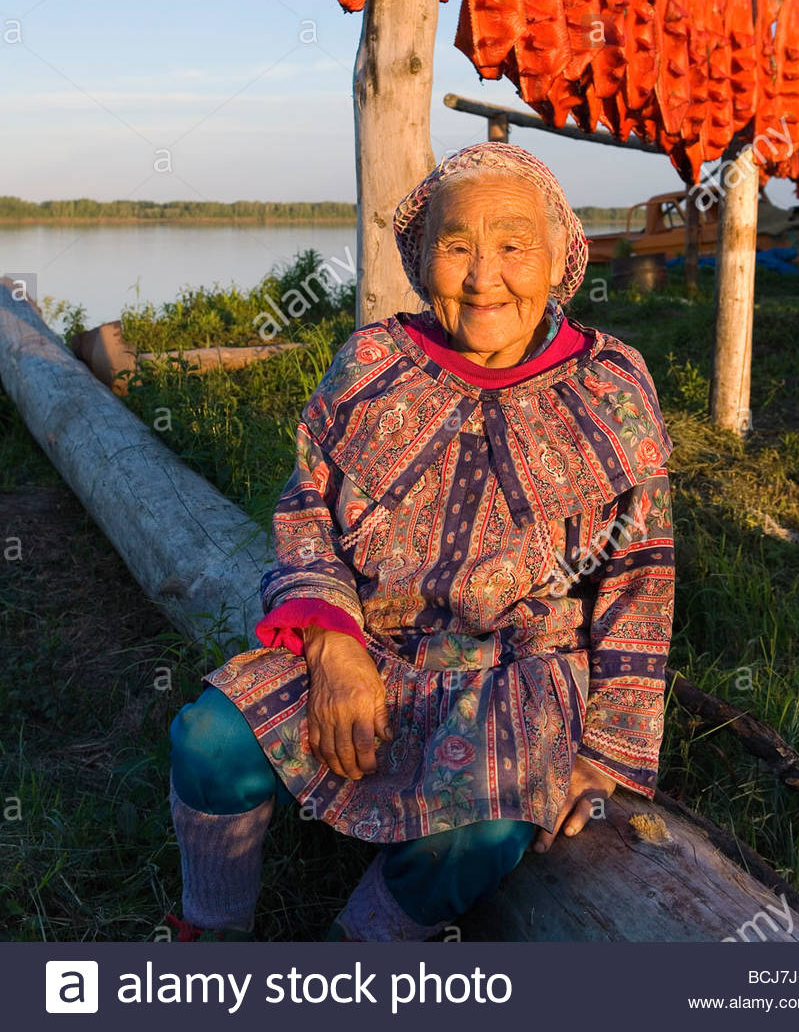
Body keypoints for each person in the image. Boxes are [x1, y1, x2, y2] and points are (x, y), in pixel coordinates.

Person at [167, 141, 675, 942]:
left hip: (514, 680)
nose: (483, 277)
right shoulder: (372, 364)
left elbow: (641, 580)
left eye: (513, 247)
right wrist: (334, 649)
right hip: (365, 650)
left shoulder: (610, 386)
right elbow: (307, 512)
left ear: (558, 258)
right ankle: (213, 938)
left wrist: (606, 754)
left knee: (482, 832)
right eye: (457, 246)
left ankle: (350, 964)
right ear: (420, 254)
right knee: (208, 738)